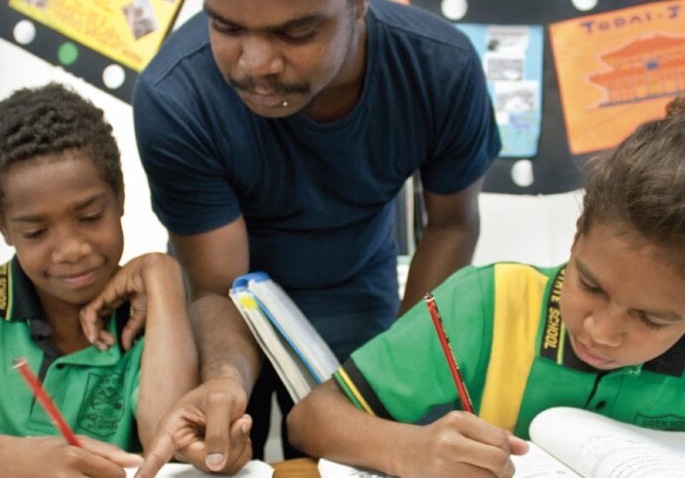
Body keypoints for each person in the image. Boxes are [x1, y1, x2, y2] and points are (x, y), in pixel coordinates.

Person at [128, 0, 501, 472]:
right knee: (224, 451)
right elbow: (218, 286)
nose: (255, 63)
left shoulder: (440, 67)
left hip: (358, 291)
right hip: (226, 315)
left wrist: (405, 360)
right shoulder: (175, 97)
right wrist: (226, 379)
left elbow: (452, 225)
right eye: (226, 26)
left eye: (296, 31)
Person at [286, 96, 685, 477]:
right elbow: (309, 420)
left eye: (651, 319)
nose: (600, 332)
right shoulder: (483, 303)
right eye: (590, 285)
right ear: (578, 233)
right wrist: (408, 449)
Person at [0, 83, 198, 477]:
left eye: (89, 217)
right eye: (36, 232)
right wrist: (17, 461)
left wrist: (164, 274)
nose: (70, 249)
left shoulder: (149, 317)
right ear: (4, 228)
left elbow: (169, 446)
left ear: (119, 196)